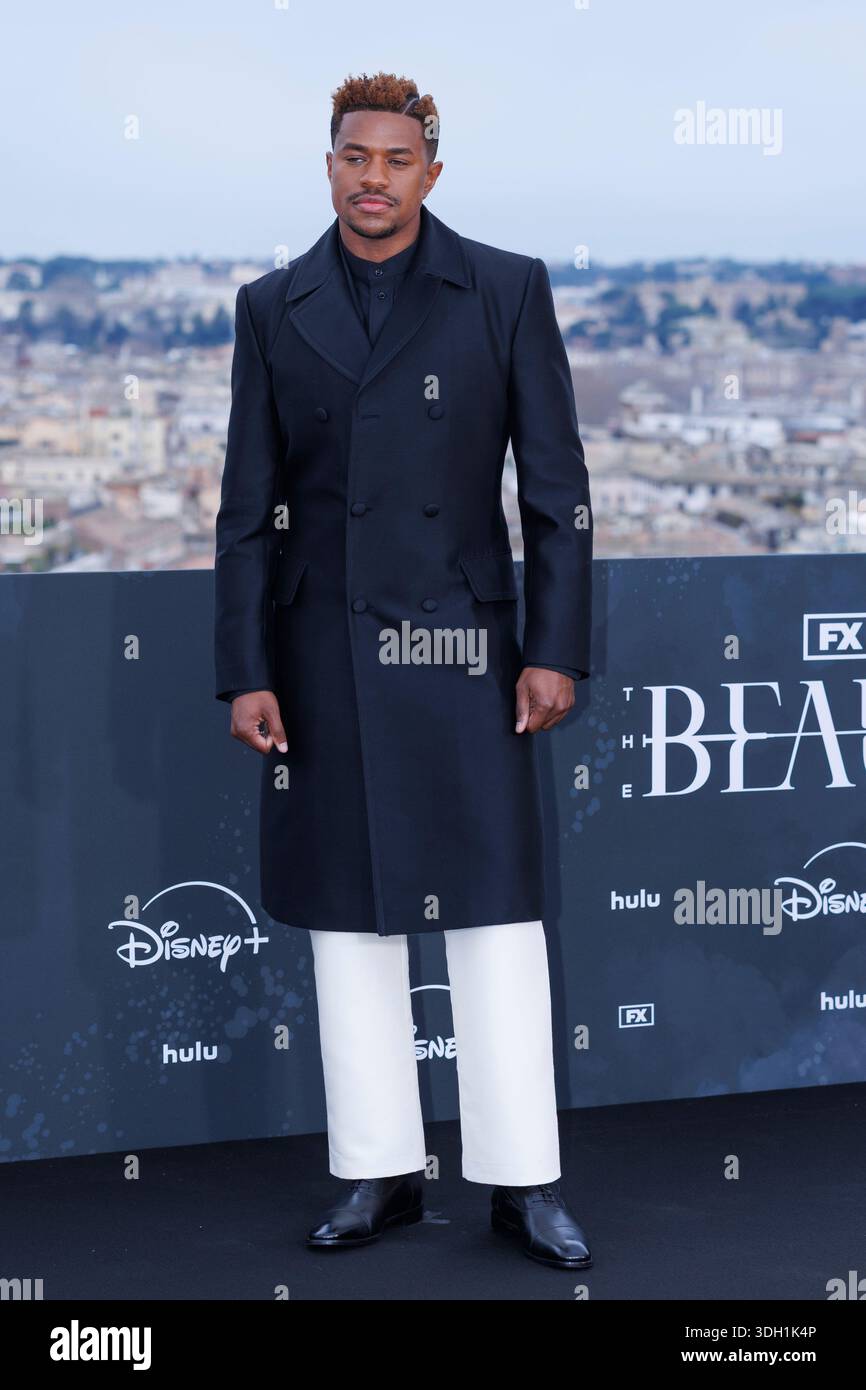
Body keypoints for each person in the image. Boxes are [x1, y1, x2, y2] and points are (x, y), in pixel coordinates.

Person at [213, 71, 594, 1269]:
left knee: (495, 922)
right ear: (328, 165)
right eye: (351, 156)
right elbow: (244, 510)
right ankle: (376, 1168)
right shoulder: (270, 306)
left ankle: (522, 1183)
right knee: (348, 922)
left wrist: (552, 647)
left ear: (431, 170)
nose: (370, 178)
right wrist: (245, 668)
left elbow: (556, 492)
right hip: (323, 653)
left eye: (393, 159)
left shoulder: (505, 287)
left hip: (469, 651)